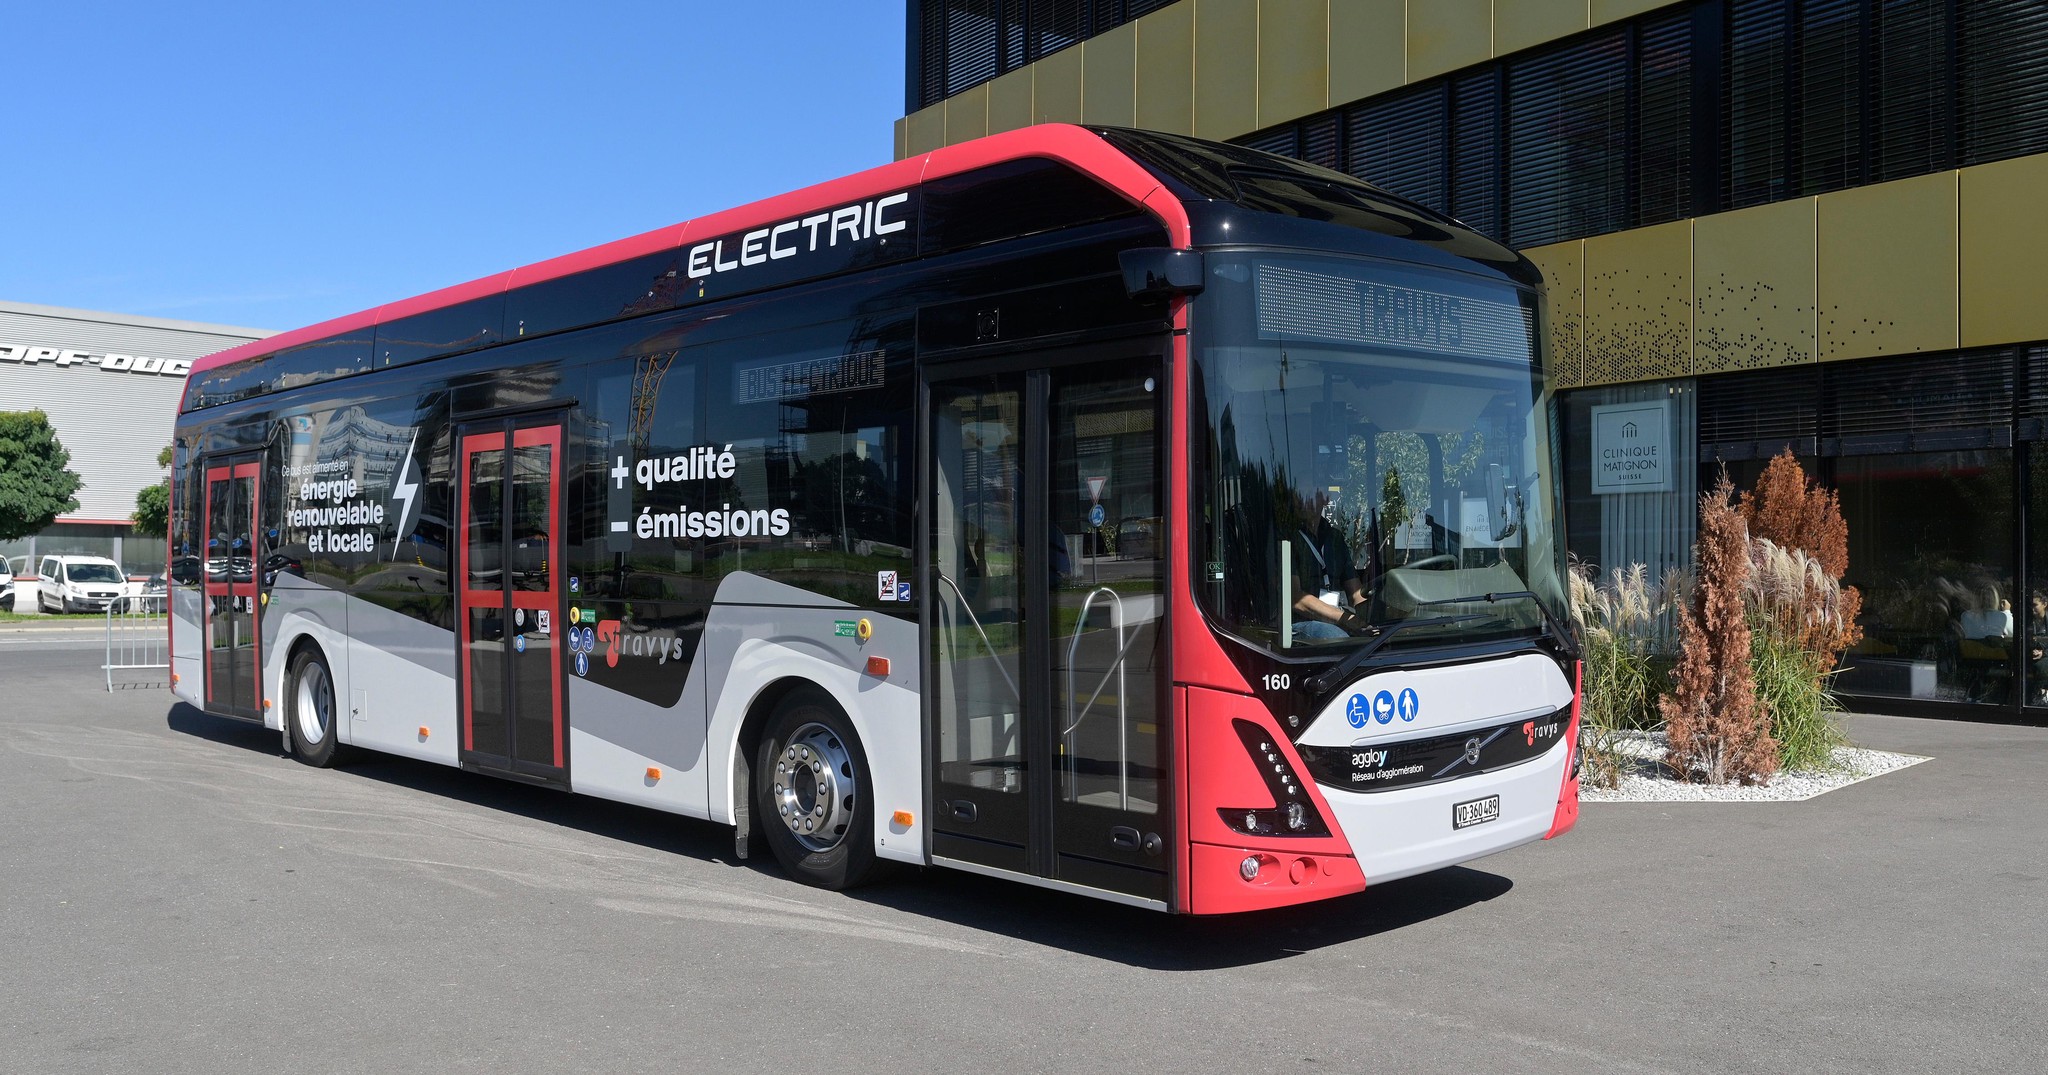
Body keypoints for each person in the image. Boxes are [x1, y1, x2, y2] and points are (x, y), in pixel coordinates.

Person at [1290, 494, 1370, 643]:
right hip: (1297, 623)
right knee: (1338, 639)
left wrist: (1374, 617)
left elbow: (1356, 594)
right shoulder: (1288, 536)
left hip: (1335, 620)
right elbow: (1294, 598)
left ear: (1325, 498)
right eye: (1297, 492)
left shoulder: (1335, 538)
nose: (1301, 498)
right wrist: (1345, 619)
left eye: (1308, 492)